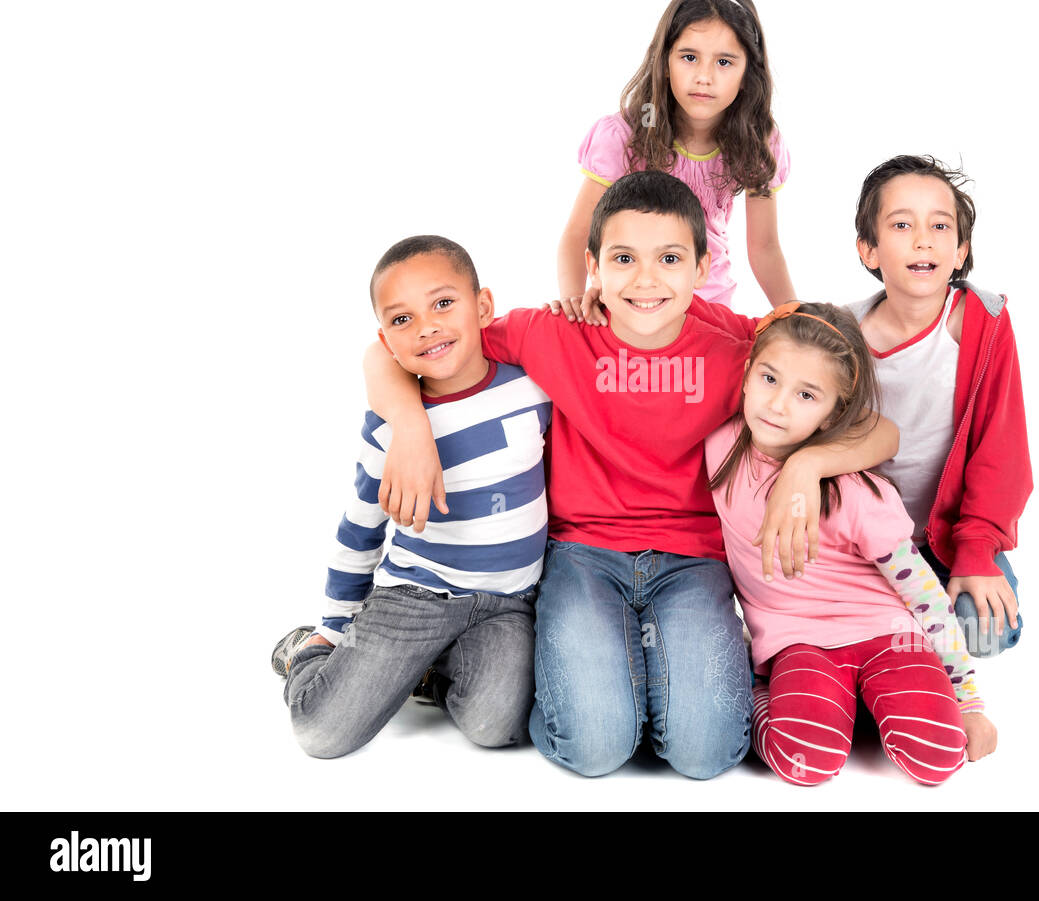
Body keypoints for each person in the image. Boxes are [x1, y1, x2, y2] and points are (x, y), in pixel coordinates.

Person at [363, 172, 899, 778]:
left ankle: (669, 684)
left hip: (694, 560)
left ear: (702, 268)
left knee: (708, 756)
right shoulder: (555, 333)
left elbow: (880, 428)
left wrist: (808, 464)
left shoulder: (741, 344)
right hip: (582, 554)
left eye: (670, 258)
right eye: (623, 259)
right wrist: (409, 425)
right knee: (592, 751)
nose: (646, 280)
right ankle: (595, 685)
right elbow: (393, 346)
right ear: (593, 266)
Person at [273, 236, 551, 758]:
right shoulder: (390, 428)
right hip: (416, 596)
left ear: (483, 306)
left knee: (499, 724)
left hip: (510, 605)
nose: (426, 326)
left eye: (443, 303)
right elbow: (359, 530)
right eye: (402, 320)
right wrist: (334, 629)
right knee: (321, 734)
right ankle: (305, 654)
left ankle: (427, 674)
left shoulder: (533, 391)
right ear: (386, 340)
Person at [705, 301, 994, 785]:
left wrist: (968, 699)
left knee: (938, 757)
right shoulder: (719, 451)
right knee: (804, 762)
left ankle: (879, 704)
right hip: (798, 642)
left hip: (886, 632)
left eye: (806, 395)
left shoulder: (854, 492)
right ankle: (785, 698)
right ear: (748, 373)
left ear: (832, 412)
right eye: (769, 379)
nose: (776, 404)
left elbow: (923, 591)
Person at [847, 155, 1032, 656]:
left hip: (944, 536)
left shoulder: (982, 323)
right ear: (869, 250)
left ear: (960, 251)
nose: (922, 239)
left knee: (985, 628)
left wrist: (975, 553)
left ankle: (913, 649)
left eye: (939, 226)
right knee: (863, 634)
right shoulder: (841, 334)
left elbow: (1002, 451)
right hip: (861, 542)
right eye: (901, 224)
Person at [556, 0, 795, 315]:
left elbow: (765, 247)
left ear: (747, 75)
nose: (704, 77)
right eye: (689, 57)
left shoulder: (759, 140)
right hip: (633, 301)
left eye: (724, 62)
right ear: (665, 62)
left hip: (708, 308)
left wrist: (792, 312)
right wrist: (573, 303)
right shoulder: (625, 135)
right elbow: (578, 233)